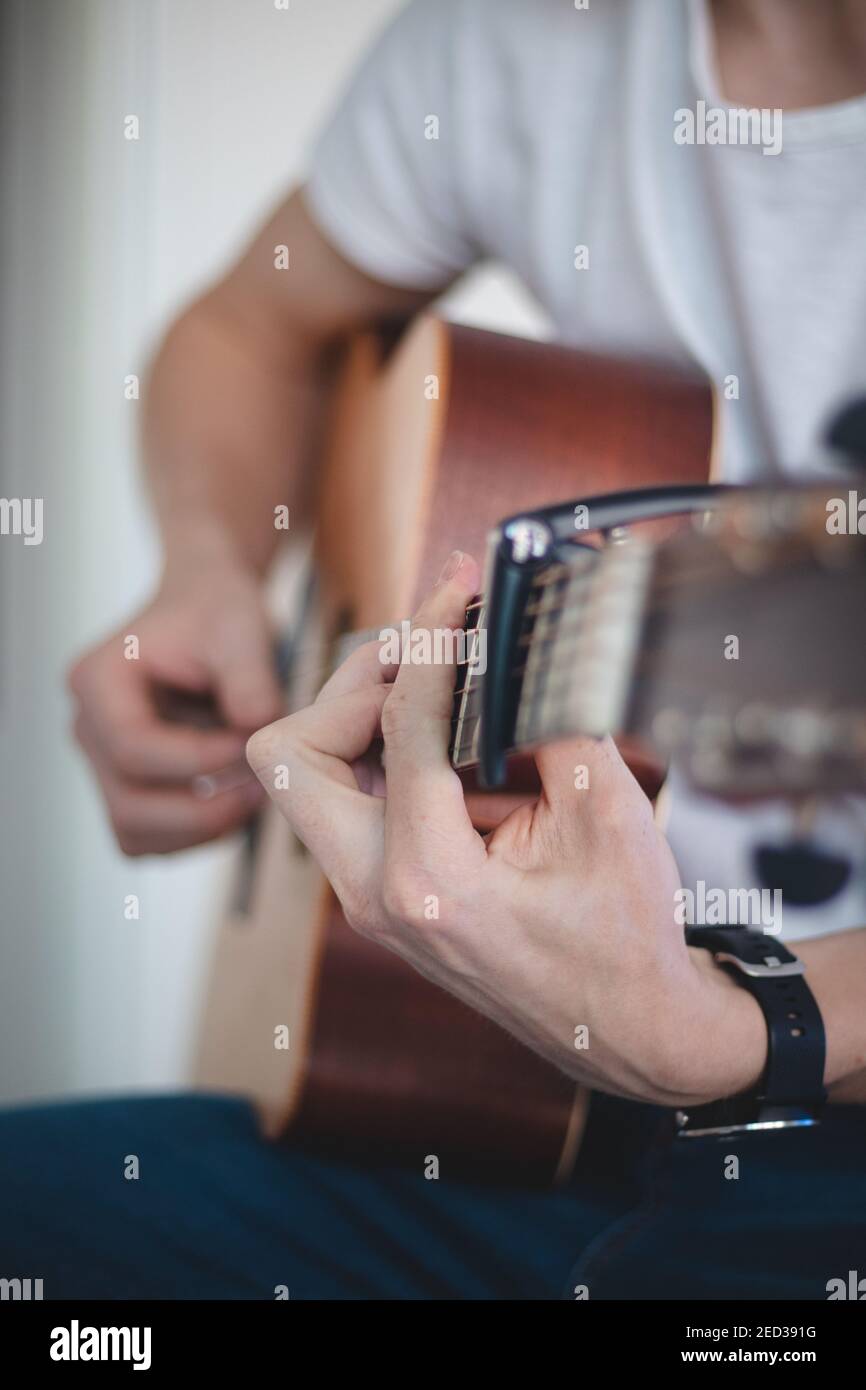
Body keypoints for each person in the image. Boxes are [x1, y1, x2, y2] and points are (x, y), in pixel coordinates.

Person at [2, 0, 865, 1300]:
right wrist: (208, 567)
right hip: (498, 1082)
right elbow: (246, 329)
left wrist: (741, 1028)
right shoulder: (514, 40)